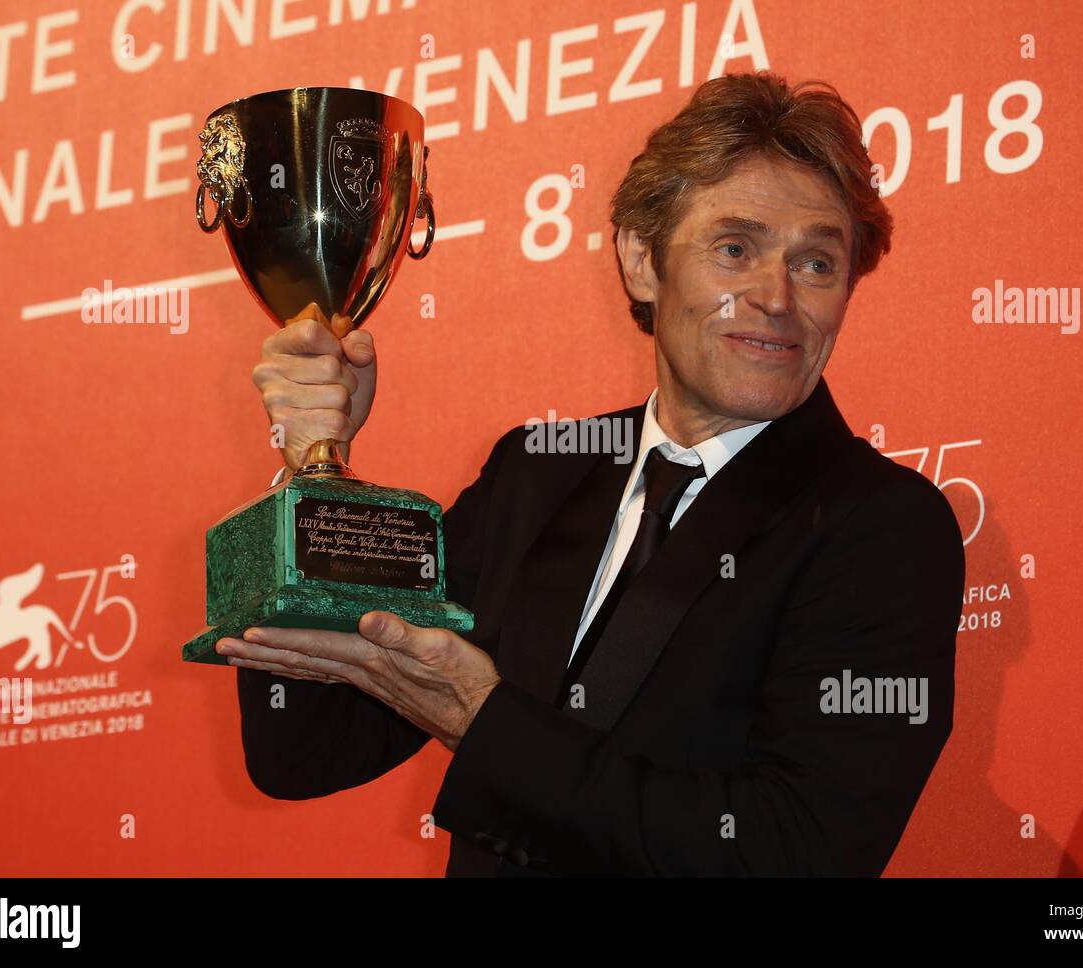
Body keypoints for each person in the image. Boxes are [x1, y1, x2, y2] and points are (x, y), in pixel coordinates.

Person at [217, 71, 966, 876]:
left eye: (817, 263)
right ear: (642, 260)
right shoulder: (534, 475)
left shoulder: (879, 526)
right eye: (735, 249)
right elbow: (309, 750)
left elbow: (796, 851)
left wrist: (484, 722)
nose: (776, 297)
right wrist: (312, 470)